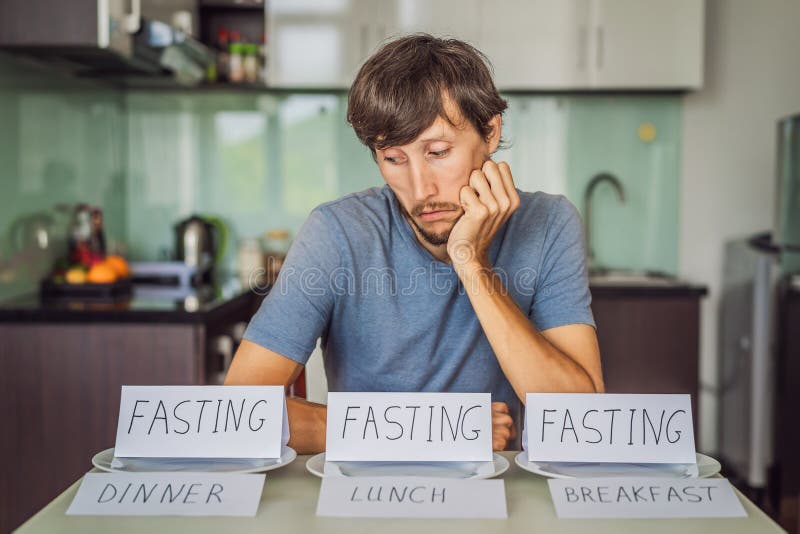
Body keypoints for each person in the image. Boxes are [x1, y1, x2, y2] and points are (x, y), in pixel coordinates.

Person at [225, 34, 604, 453]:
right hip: (364, 484)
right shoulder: (337, 232)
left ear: (491, 131)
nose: (421, 189)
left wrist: (471, 262)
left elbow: (580, 420)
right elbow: (239, 414)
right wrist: (430, 429)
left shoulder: (548, 223)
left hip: (494, 487)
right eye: (393, 158)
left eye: (438, 152)